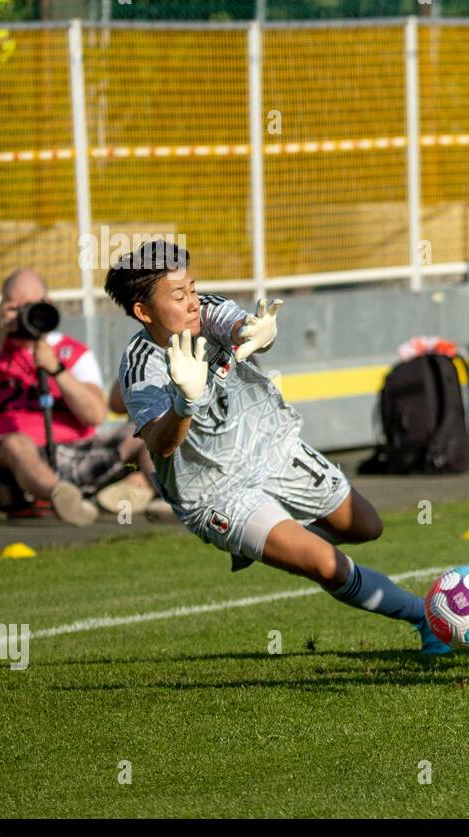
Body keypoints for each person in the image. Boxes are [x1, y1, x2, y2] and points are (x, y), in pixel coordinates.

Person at [104, 241, 450, 655]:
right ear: (143, 312)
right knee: (327, 565)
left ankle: (275, 536)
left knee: (366, 527)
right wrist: (185, 401)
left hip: (271, 449)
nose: (194, 302)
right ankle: (425, 619)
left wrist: (257, 334)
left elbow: (240, 328)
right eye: (179, 297)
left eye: (193, 289)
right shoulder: (142, 367)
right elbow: (161, 446)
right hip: (216, 492)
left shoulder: (206, 309)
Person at [0, 269, 155, 526]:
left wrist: (57, 370)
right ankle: (62, 496)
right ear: (2, 307)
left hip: (74, 455)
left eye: (31, 306)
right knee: (17, 444)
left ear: (47, 305)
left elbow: (95, 414)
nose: (24, 315)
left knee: (144, 430)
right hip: (12, 462)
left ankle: (166, 496)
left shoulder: (72, 352)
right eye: (16, 307)